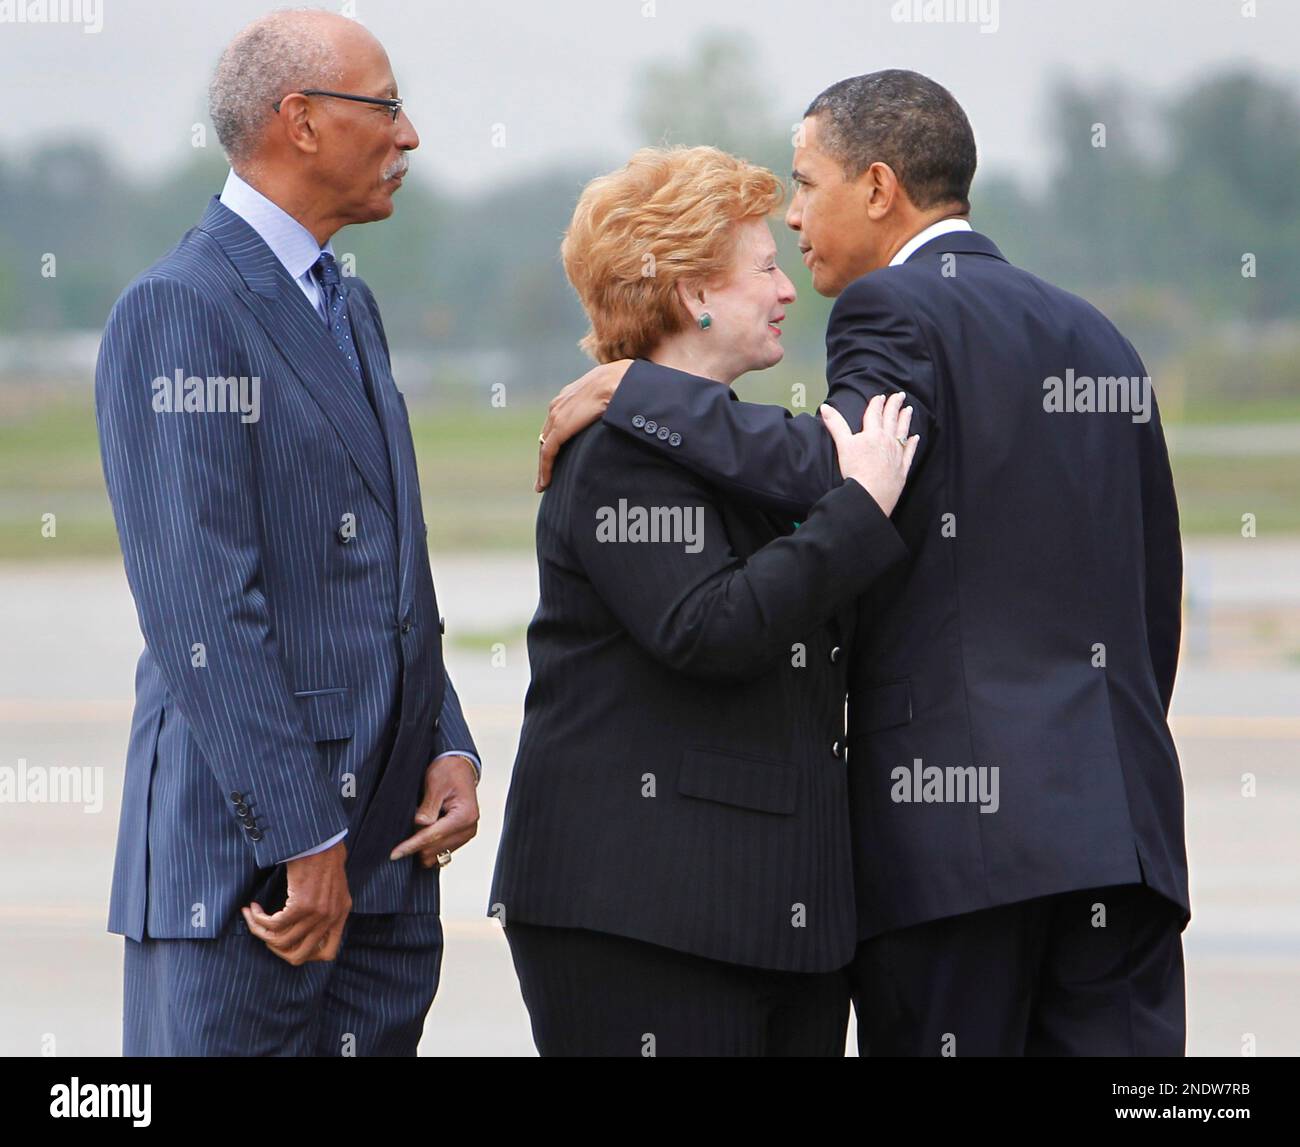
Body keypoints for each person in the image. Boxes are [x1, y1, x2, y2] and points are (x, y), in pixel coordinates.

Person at [536, 71, 1189, 1057]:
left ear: (878, 188)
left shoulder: (894, 305)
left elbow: (833, 461)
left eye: (806, 185)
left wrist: (639, 387)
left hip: (962, 845)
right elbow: (1153, 591)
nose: (797, 220)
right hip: (1123, 830)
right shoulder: (1096, 335)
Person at [96, 9, 479, 1056]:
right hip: (254, 875)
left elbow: (393, 570)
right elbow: (200, 602)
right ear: (299, 121)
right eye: (386, 107)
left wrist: (444, 738)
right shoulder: (184, 308)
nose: (409, 137)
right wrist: (303, 831)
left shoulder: (346, 307)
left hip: (384, 862)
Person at [489, 145, 918, 1057]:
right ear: (693, 294)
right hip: (649, 916)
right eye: (766, 269)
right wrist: (858, 511)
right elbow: (709, 626)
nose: (788, 290)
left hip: (769, 916)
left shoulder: (723, 441)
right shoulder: (617, 453)